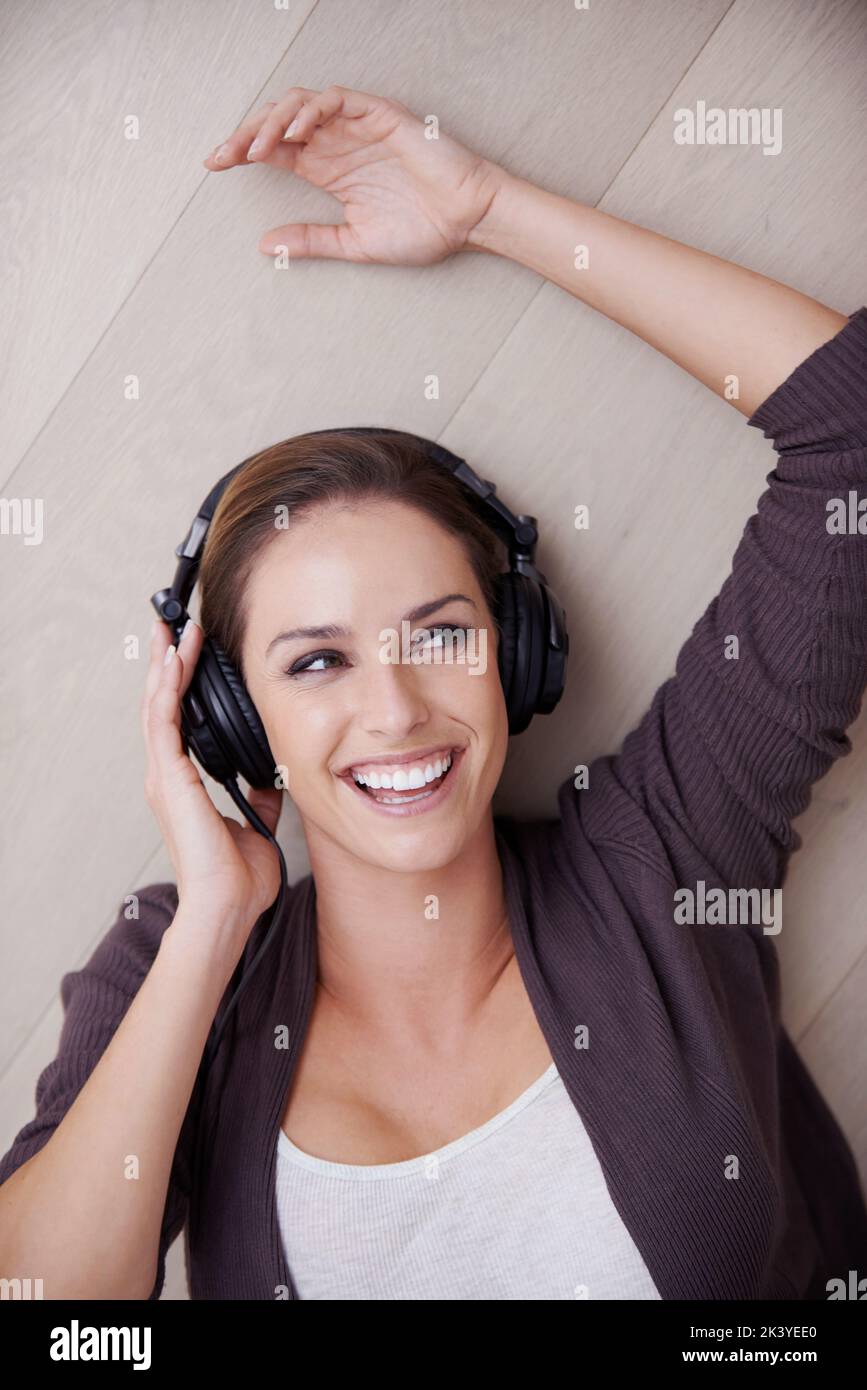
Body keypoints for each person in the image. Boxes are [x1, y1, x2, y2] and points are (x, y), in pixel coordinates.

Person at [1, 85, 865, 1302]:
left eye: (441, 634)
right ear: (231, 718)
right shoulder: (178, 964)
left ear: (515, 653)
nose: (397, 708)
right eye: (315, 661)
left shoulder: (662, 857)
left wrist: (493, 209)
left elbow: (855, 431)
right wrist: (212, 921)